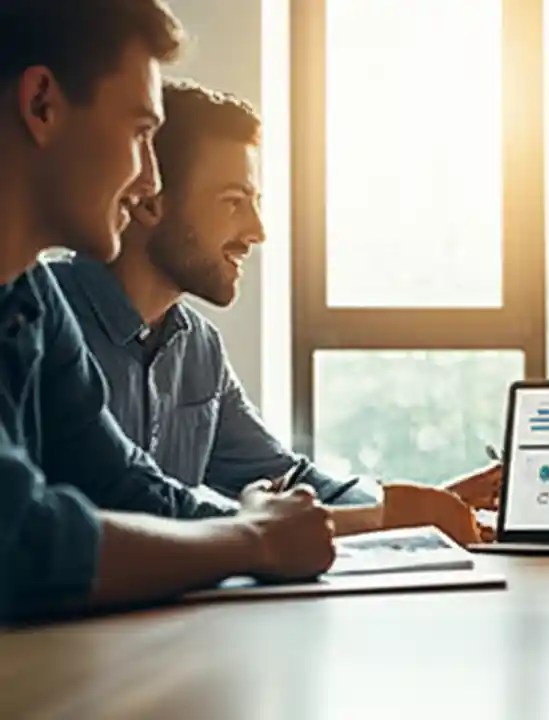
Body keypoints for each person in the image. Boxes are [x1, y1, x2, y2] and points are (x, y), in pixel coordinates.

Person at [51, 79, 497, 543]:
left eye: (256, 203)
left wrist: (415, 510)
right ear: (150, 200)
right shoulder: (44, 321)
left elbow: (285, 478)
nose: (257, 231)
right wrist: (380, 518)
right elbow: (133, 504)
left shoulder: (198, 348)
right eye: (233, 202)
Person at [0, 0, 333, 620]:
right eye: (140, 133)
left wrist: (253, 520)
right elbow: (21, 541)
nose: (150, 180)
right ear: (42, 104)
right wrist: (252, 538)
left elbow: (129, 488)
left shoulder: (33, 301)